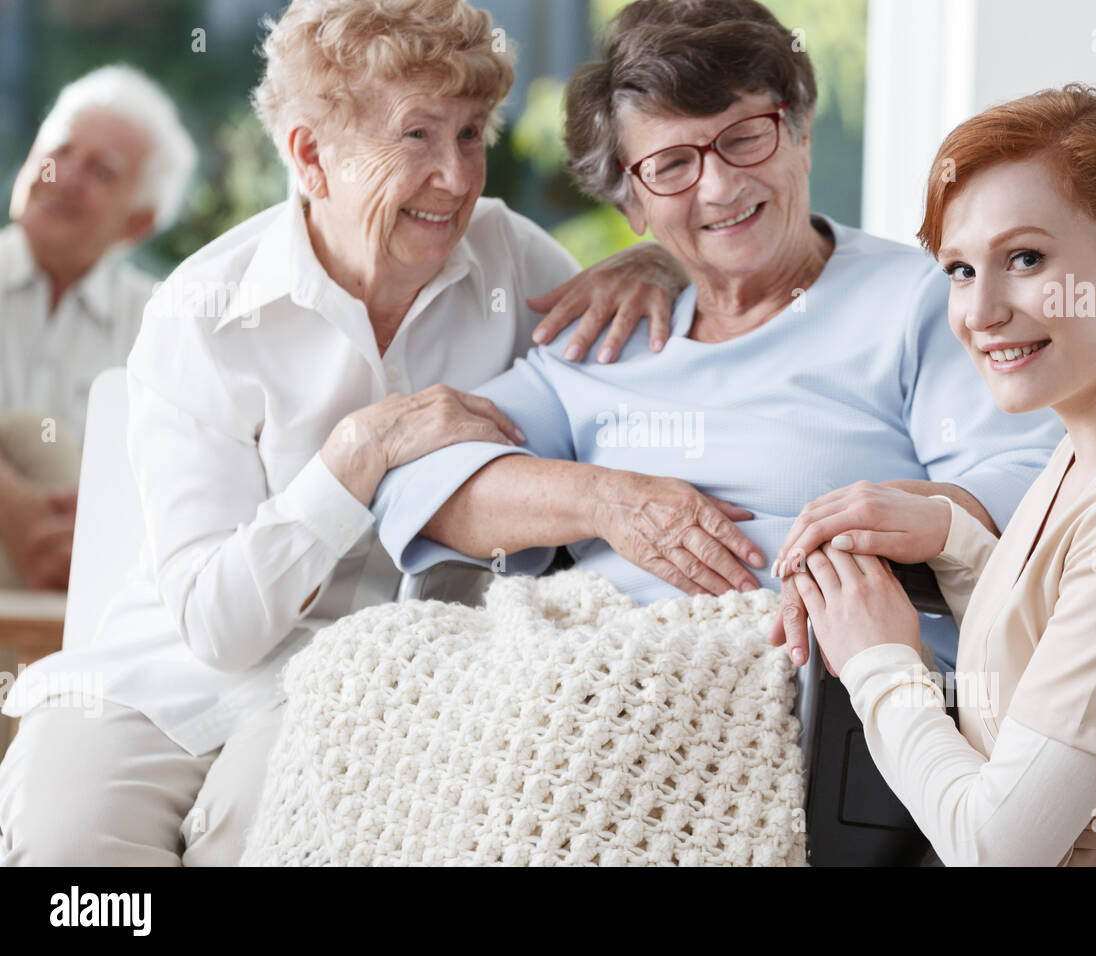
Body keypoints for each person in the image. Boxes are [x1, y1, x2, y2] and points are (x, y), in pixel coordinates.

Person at [0, 0, 687, 866]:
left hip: (373, 679)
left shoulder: (515, 264)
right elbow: (218, 630)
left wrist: (662, 263)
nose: (455, 176)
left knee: (266, 832)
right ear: (310, 155)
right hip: (165, 671)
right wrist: (359, 454)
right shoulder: (203, 312)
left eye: (471, 133)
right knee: (71, 854)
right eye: (416, 135)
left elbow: (644, 367)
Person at [368, 0, 1062, 681]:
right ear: (632, 205)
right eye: (672, 165)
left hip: (820, 694)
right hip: (597, 683)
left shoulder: (927, 303)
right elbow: (420, 485)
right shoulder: (610, 334)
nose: (722, 186)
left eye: (745, 137)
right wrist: (604, 500)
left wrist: (885, 524)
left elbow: (1032, 484)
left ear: (801, 130)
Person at [777, 83, 1096, 865]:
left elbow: (994, 849)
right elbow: (1068, 637)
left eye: (1025, 258)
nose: (981, 310)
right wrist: (955, 541)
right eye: (958, 269)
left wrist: (878, 663)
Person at [0, 64, 196, 594]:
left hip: (93, 591)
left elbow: (188, 480)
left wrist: (111, 518)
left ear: (139, 222)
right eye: (59, 151)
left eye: (101, 171)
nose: (63, 177)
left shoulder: (163, 326)